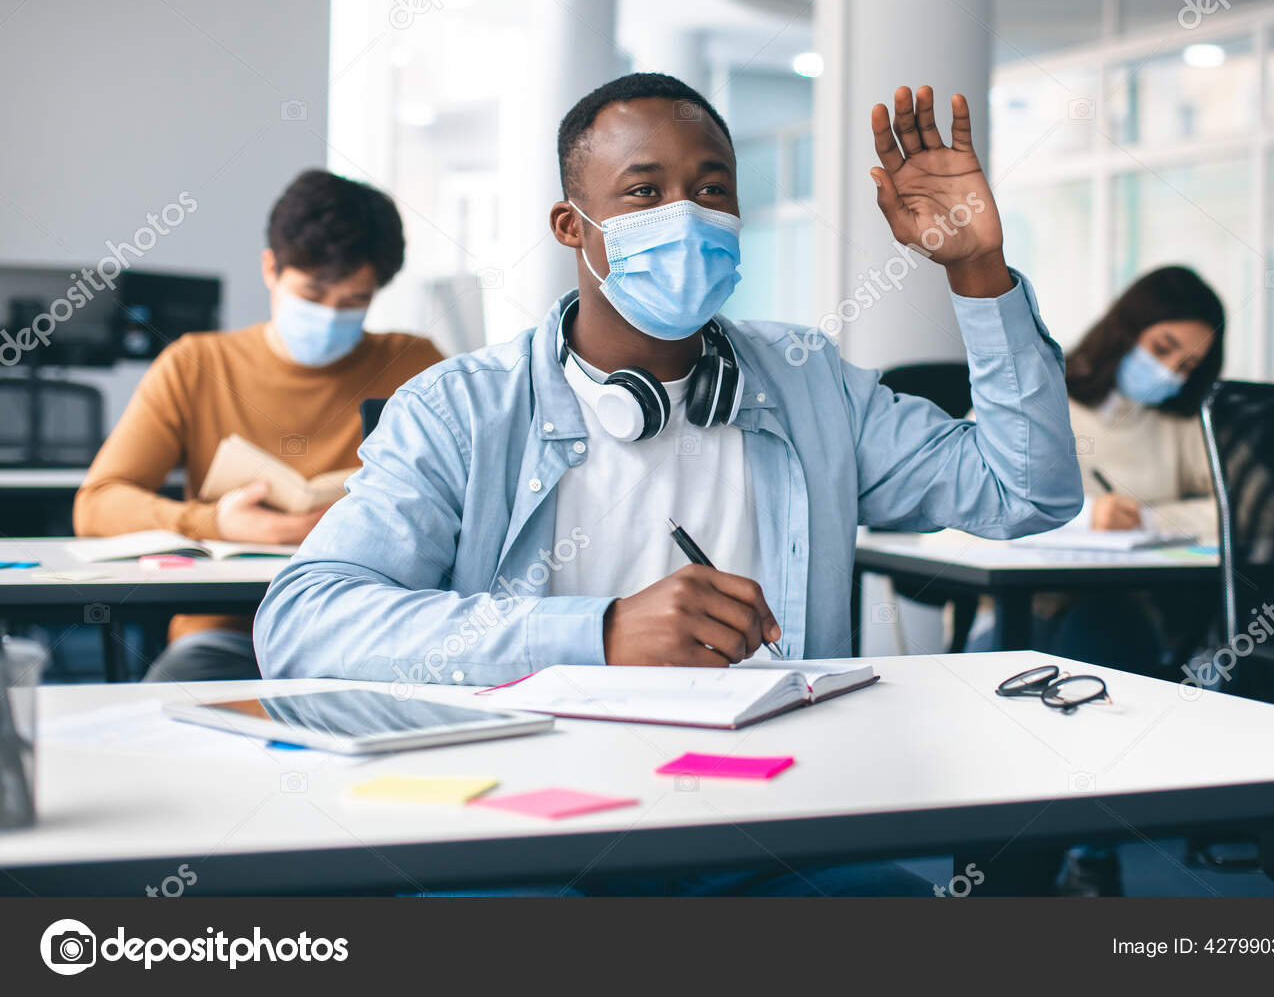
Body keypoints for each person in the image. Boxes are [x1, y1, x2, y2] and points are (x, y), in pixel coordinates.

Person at [254, 73, 1082, 896]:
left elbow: (1025, 492)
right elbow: (303, 625)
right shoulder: (460, 407)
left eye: (711, 188)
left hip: (770, 822)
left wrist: (978, 269)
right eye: (644, 190)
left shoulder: (809, 381)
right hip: (531, 828)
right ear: (571, 226)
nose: (685, 213)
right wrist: (599, 632)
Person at [75, 170, 443, 683]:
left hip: (373, 627)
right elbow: (97, 504)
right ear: (271, 268)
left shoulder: (416, 363)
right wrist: (217, 524)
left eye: (355, 300)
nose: (331, 314)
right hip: (229, 634)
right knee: (174, 696)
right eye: (312, 293)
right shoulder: (195, 364)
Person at [966, 266, 1224, 675]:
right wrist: (1086, 518)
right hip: (1019, 617)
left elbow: (1233, 513)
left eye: (1188, 365)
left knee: (1104, 625)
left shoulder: (1180, 423)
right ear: (1125, 329)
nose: (1172, 371)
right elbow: (964, 513)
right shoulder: (1029, 397)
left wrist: (1145, 518)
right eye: (1162, 348)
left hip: (1121, 620)